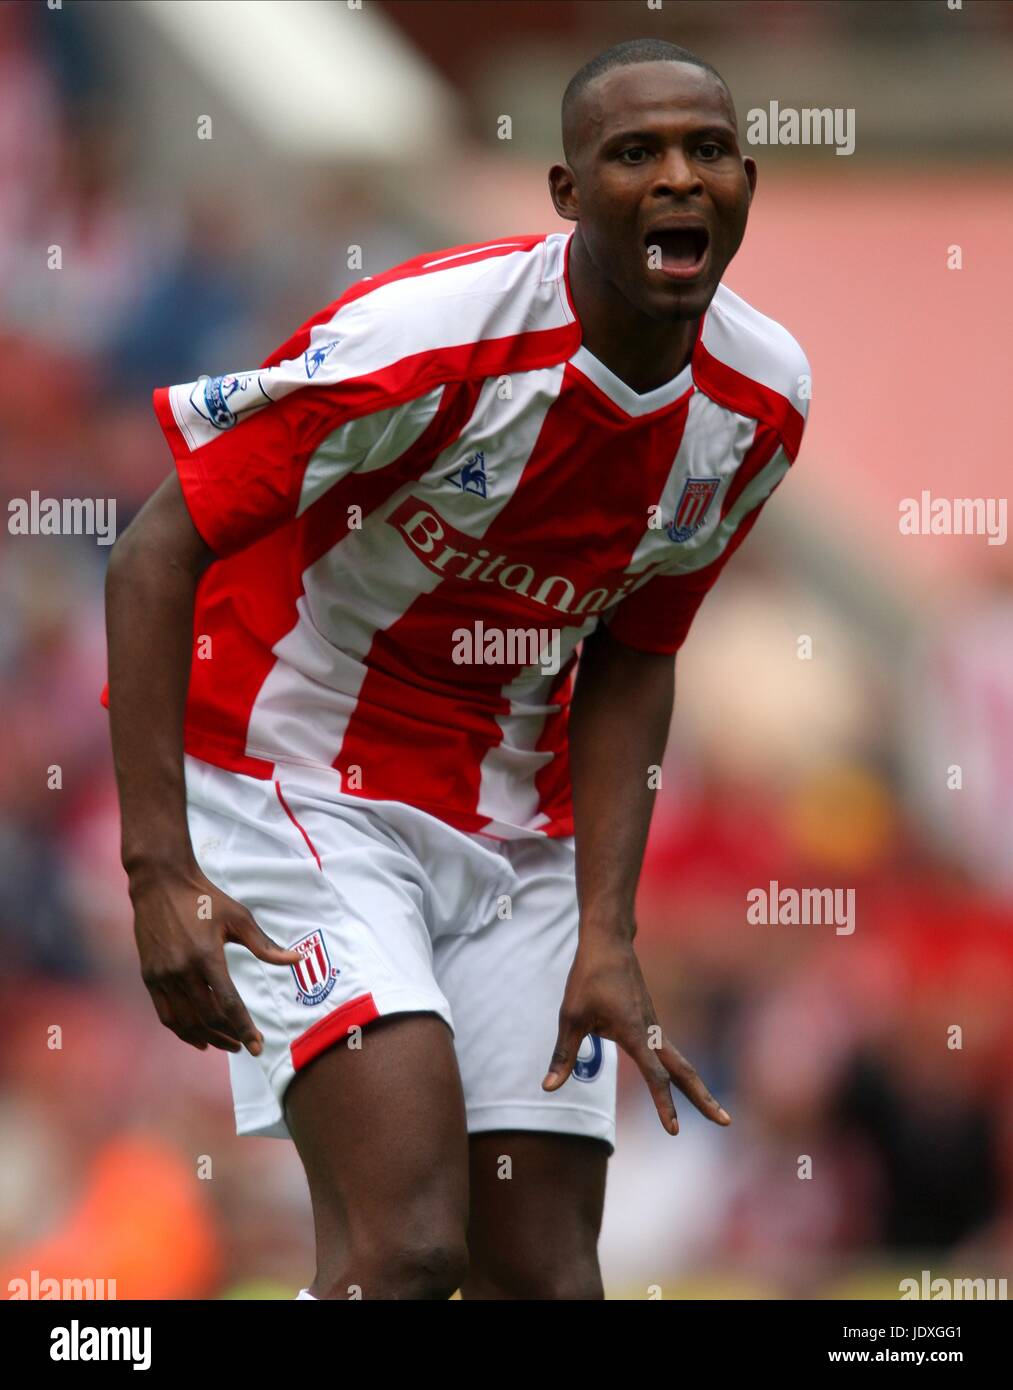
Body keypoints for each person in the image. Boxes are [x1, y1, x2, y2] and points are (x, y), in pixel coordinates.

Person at [103, 37, 811, 1300]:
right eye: (632, 153)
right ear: (562, 193)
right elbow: (154, 552)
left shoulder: (759, 404)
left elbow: (638, 653)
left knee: (545, 1271)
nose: (674, 179)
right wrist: (160, 869)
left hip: (512, 809)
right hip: (291, 769)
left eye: (706, 151)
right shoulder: (424, 338)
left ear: (748, 182)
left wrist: (607, 930)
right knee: (411, 1247)